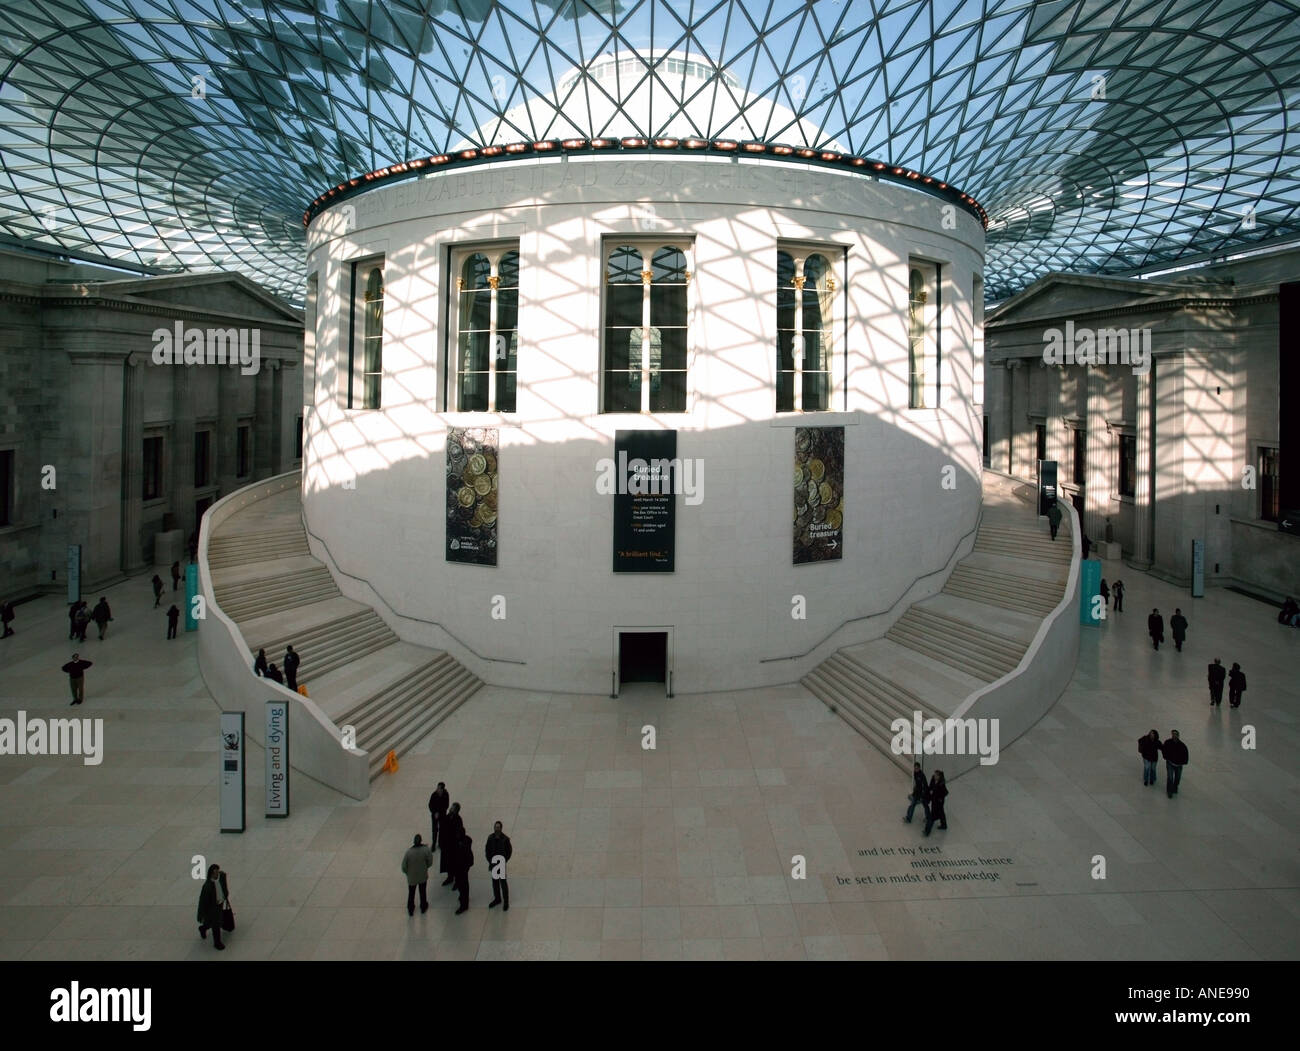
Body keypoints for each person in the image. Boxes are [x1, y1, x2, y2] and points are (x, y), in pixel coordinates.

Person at [196, 863, 231, 950]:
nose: (217, 874)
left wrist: (225, 896)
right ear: (211, 873)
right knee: (215, 925)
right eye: (215, 872)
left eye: (218, 871)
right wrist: (202, 914)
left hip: (220, 904)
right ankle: (217, 943)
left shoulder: (221, 877)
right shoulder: (207, 886)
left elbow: (224, 887)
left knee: (211, 922)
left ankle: (203, 928)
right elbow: (203, 901)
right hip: (212, 908)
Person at [402, 833, 435, 916]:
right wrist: (425, 867)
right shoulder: (426, 850)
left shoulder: (408, 853)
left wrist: (408, 873)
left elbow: (403, 867)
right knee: (422, 892)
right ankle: (423, 907)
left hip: (412, 877)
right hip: (422, 876)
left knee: (411, 893)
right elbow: (430, 862)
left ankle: (410, 908)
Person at [485, 821, 513, 911]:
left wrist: (505, 860)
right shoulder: (490, 838)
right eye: (496, 827)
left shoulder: (505, 839)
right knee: (495, 883)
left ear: (501, 828)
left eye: (498, 827)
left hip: (500, 863)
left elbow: (509, 851)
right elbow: (487, 850)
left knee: (503, 883)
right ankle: (497, 899)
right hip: (493, 863)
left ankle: (506, 902)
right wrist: (490, 860)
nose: (497, 828)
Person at [440, 802, 465, 886]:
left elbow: (459, 833)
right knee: (448, 863)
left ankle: (456, 880)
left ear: (456, 810)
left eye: (452, 808)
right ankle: (450, 877)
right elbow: (442, 829)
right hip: (447, 845)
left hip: (453, 846)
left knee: (454, 863)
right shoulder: (447, 817)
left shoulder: (458, 820)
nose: (450, 808)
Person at [1161, 730, 1188, 798]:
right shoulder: (1168, 742)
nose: (1174, 736)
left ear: (1178, 736)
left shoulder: (1182, 745)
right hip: (1170, 763)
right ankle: (1169, 791)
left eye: (1176, 734)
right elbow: (1164, 749)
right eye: (1173, 734)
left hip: (1179, 765)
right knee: (1170, 778)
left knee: (1177, 778)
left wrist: (1184, 762)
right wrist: (1166, 757)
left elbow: (1185, 754)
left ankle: (1175, 787)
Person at [452, 832, 474, 914]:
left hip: (461, 867)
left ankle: (464, 904)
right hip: (463, 867)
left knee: (463, 885)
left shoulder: (462, 845)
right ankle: (464, 898)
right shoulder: (466, 841)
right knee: (463, 884)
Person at [924, 771, 948, 835]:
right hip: (934, 800)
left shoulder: (941, 784)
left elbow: (945, 793)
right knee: (941, 813)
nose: (934, 776)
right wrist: (929, 794)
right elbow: (930, 787)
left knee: (932, 817)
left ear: (939, 776)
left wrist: (935, 794)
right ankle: (944, 825)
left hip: (938, 802)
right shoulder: (933, 779)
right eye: (934, 775)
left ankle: (927, 831)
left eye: (936, 775)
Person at [428, 781, 449, 849]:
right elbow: (430, 805)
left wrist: (439, 812)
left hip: (442, 815)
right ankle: (434, 843)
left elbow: (446, 805)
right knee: (434, 829)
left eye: (439, 788)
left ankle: (440, 843)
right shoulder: (434, 795)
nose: (437, 789)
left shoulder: (446, 795)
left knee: (442, 829)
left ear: (442, 789)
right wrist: (434, 812)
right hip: (434, 815)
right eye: (437, 787)